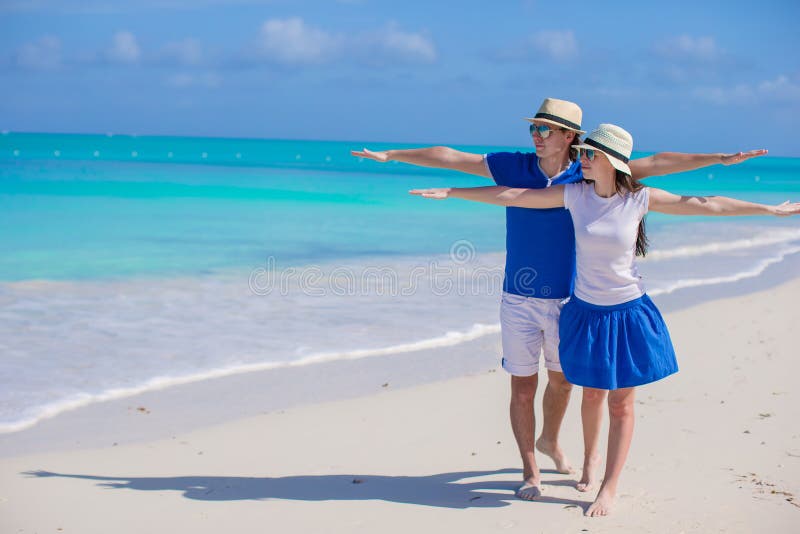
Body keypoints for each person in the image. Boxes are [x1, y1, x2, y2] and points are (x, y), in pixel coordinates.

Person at [351, 97, 767, 500]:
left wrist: (720, 158)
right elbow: (452, 157)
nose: (536, 135)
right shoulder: (516, 166)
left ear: (569, 137)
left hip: (571, 300)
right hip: (519, 295)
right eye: (533, 127)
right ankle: (530, 472)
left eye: (544, 128)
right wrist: (393, 156)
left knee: (564, 381)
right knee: (522, 387)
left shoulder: (586, 172)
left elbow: (657, 164)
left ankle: (551, 439)